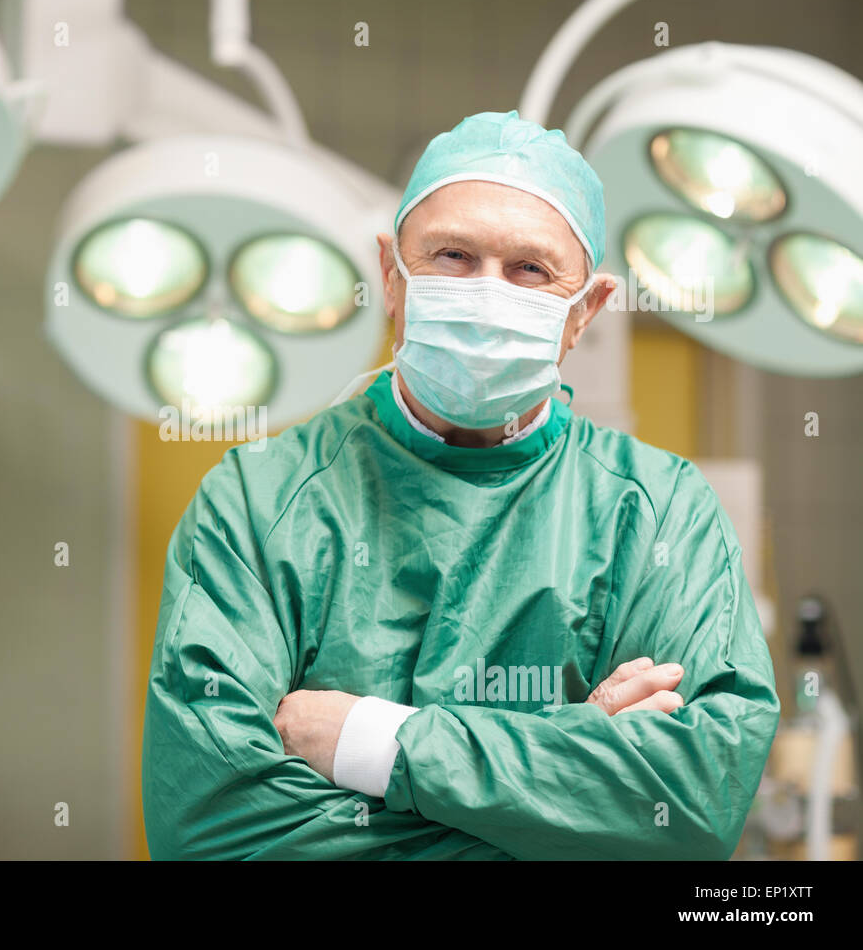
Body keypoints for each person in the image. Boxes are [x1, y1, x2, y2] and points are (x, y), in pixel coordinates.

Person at [140, 110, 779, 860]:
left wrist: (378, 746)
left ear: (586, 313)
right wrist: (572, 774)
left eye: (530, 270)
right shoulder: (258, 506)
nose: (485, 294)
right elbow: (211, 831)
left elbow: (691, 811)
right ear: (390, 275)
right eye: (452, 256)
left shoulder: (659, 514)